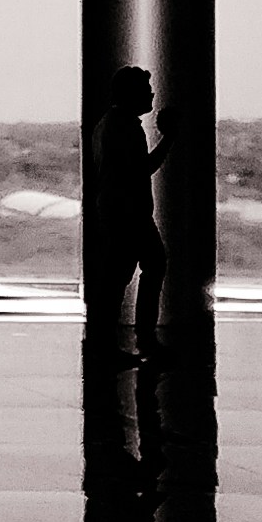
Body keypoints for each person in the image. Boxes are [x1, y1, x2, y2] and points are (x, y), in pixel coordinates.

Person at [88, 64, 170, 345]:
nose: (151, 96)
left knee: (118, 277)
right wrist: (168, 139)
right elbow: (141, 168)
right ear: (130, 94)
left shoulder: (109, 125)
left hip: (119, 212)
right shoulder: (124, 129)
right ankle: (140, 337)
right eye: (146, 91)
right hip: (129, 215)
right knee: (136, 272)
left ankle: (108, 341)